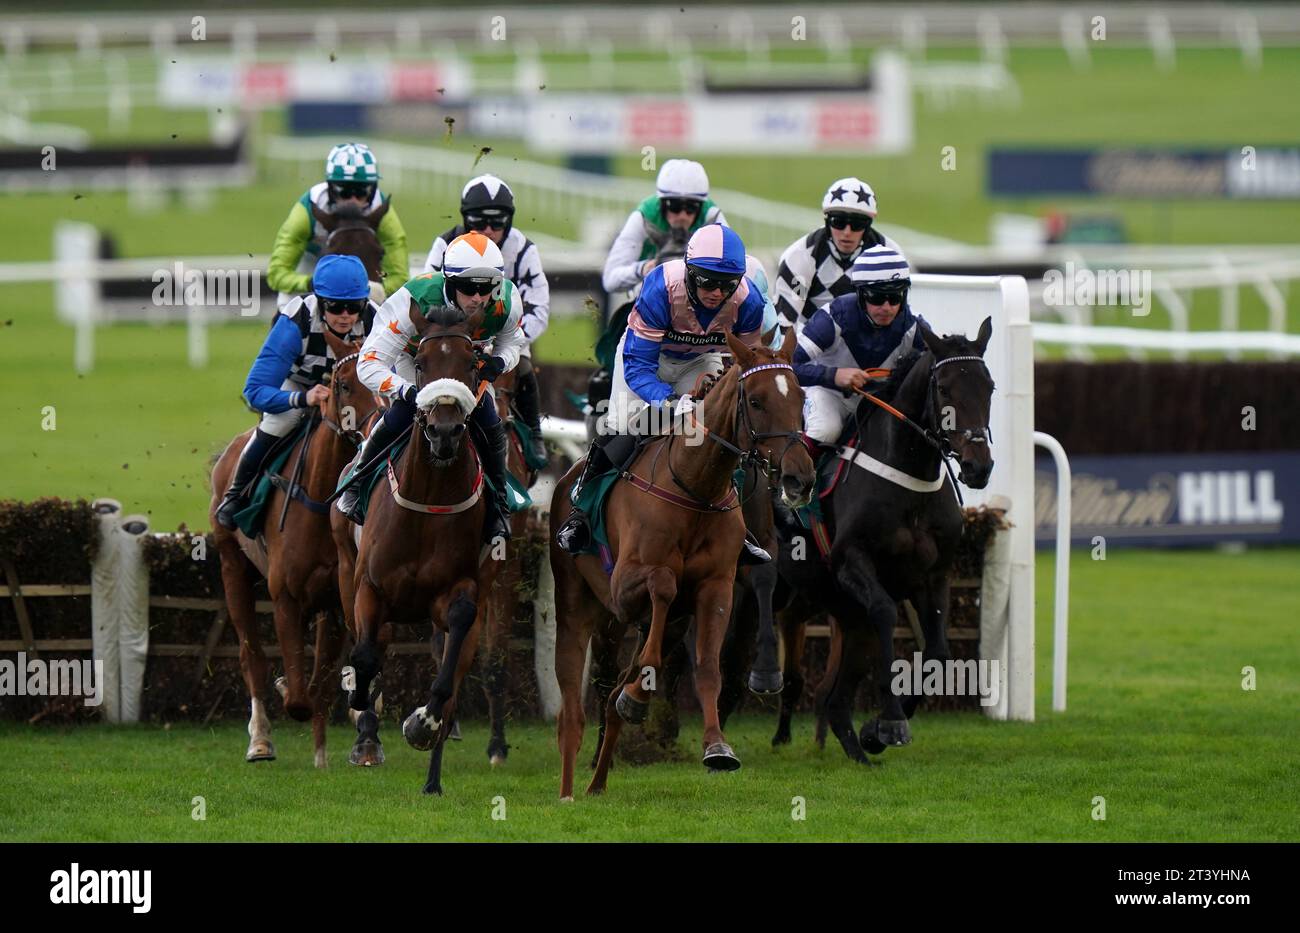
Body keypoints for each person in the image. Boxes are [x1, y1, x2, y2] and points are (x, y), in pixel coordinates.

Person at [556, 224, 769, 563]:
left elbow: (746, 365)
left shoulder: (748, 301)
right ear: (689, 273)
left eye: (727, 284)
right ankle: (581, 512)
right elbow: (639, 366)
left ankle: (736, 528)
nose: (717, 293)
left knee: (721, 432)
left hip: (700, 360)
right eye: (707, 281)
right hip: (647, 359)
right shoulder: (662, 287)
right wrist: (669, 403)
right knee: (624, 426)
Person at [336, 233, 524, 545]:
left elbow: (513, 342)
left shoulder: (507, 300)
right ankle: (358, 479)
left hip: (467, 361)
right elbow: (368, 364)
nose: (478, 297)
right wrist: (407, 392)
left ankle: (499, 504)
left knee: (490, 422)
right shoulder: (413, 300)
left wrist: (498, 362)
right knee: (403, 415)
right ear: (449, 283)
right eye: (469, 287)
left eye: (486, 287)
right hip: (418, 359)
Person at [215, 254, 378, 530]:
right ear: (320, 301)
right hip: (300, 384)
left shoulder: (375, 318)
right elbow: (254, 390)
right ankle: (237, 494)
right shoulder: (296, 321)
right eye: (336, 307)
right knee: (282, 420)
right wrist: (303, 398)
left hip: (354, 389)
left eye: (354, 307)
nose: (346, 316)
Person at [425, 174, 549, 465]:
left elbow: (539, 307)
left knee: (524, 365)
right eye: (479, 223)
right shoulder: (444, 244)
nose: (489, 230)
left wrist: (510, 341)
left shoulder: (524, 250)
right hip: (453, 335)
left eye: (498, 223)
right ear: (465, 220)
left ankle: (533, 431)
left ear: (509, 220)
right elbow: (425, 296)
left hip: (505, 334)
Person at [793, 244, 926, 451]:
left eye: (895, 297)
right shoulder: (832, 317)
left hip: (879, 401)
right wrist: (833, 375)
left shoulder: (914, 325)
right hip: (829, 394)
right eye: (877, 297)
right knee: (826, 429)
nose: (887, 307)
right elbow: (788, 365)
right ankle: (799, 481)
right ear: (861, 295)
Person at [267, 142, 410, 308]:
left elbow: (399, 277)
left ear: (373, 190)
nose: (353, 201)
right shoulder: (305, 213)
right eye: (345, 192)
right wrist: (311, 283)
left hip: (363, 275)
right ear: (330, 188)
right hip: (312, 267)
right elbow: (277, 274)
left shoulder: (384, 214)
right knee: (287, 301)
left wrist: (376, 288)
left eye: (362, 192)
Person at [773, 177, 903, 334]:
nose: (847, 232)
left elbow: (901, 317)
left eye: (857, 224)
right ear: (827, 221)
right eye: (838, 222)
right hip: (812, 343)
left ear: (868, 225)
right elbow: (785, 322)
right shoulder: (799, 257)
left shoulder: (890, 254)